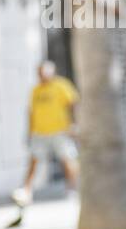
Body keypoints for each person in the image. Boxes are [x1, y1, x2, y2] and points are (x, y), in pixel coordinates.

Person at [12, 60, 80, 207]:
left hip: (60, 131)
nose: (42, 75)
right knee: (33, 161)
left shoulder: (61, 85)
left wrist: (74, 125)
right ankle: (26, 191)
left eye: (44, 72)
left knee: (67, 160)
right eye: (40, 73)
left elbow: (73, 104)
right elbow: (31, 112)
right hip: (40, 132)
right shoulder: (35, 90)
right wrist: (29, 132)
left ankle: (72, 189)